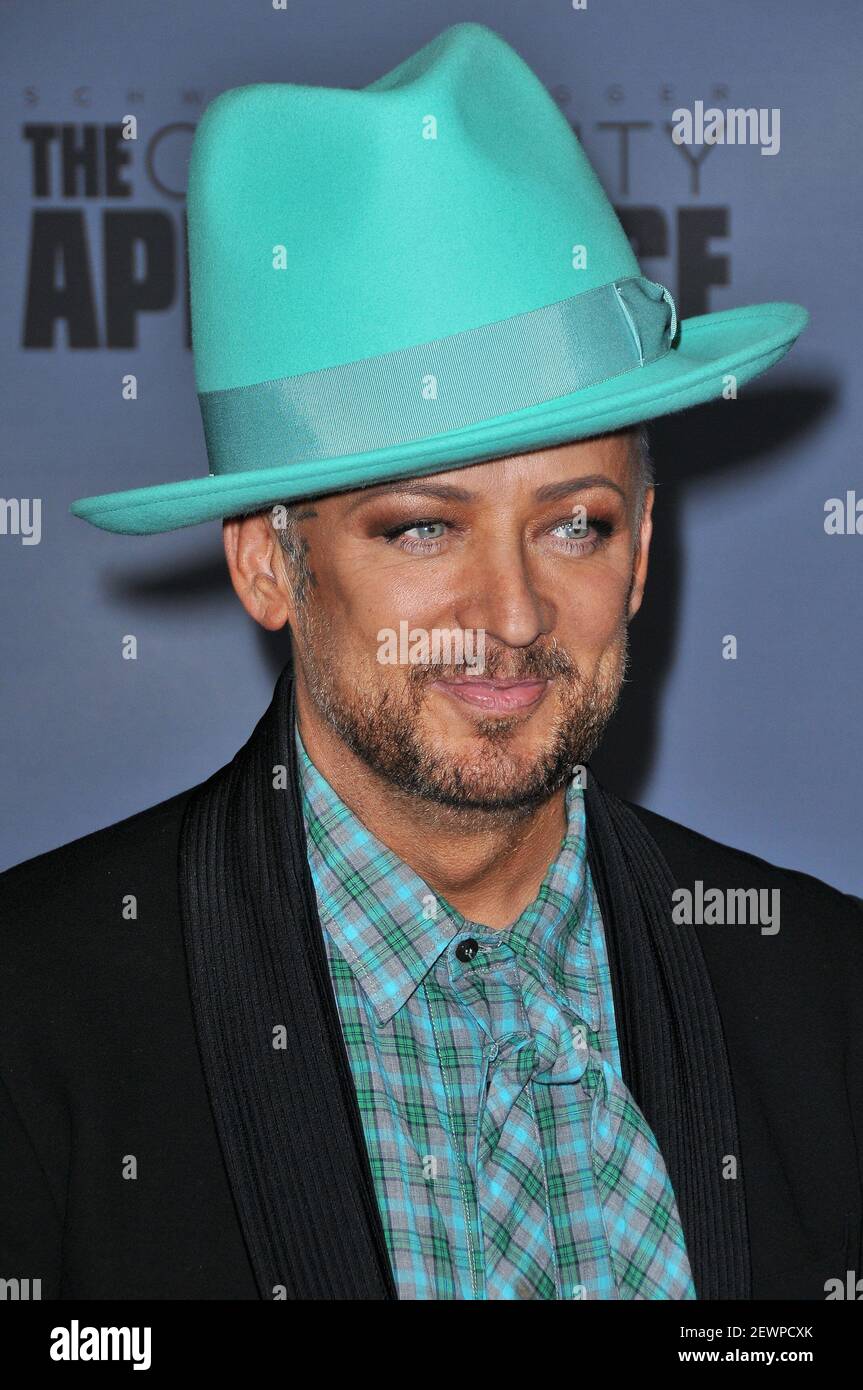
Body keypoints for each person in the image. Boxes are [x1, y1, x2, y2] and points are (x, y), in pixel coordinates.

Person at [2, 22, 860, 1301]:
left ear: (638, 554)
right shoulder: (38, 1016)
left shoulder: (823, 992)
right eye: (420, 527)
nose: (509, 614)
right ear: (269, 564)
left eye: (573, 523)